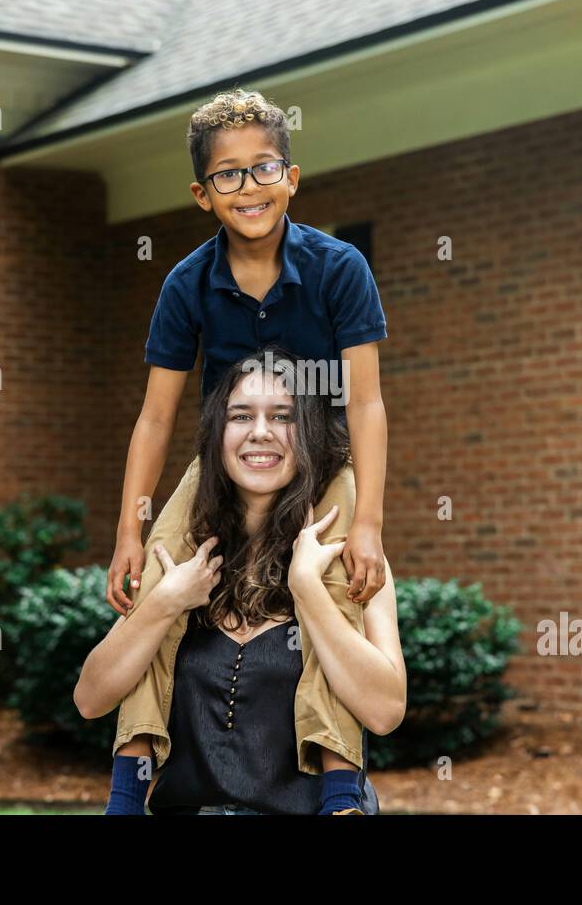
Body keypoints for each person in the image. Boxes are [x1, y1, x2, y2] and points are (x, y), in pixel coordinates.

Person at [103, 88, 392, 801]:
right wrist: (129, 530)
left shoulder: (339, 268)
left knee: (329, 595)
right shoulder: (186, 284)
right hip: (220, 469)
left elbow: (366, 401)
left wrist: (369, 524)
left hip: (323, 465)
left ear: (290, 178)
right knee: (158, 598)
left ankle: (339, 789)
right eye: (227, 174)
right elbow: (154, 417)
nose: (249, 186)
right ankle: (125, 784)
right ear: (203, 194)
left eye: (264, 168)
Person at [75, 349, 406, 813]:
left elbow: (385, 711)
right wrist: (166, 602)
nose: (260, 432)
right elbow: (90, 698)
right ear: (218, 435)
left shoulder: (350, 563)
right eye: (241, 415)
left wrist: (308, 590)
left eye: (283, 416)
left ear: (308, 435)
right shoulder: (184, 564)